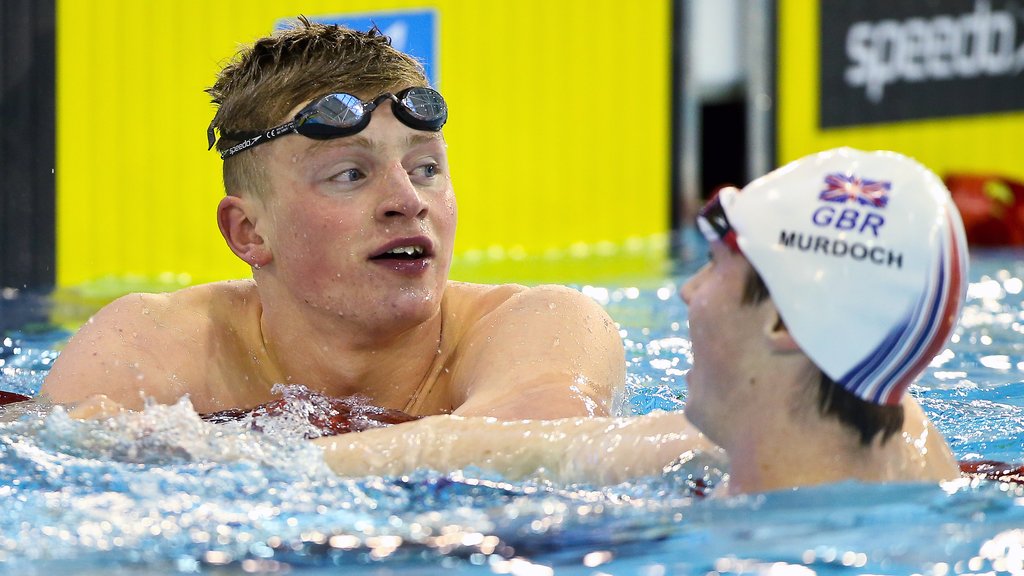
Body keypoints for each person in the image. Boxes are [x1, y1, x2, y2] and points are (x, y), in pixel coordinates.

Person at [41, 19, 625, 422]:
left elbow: (540, 443)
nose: (407, 200)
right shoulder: (155, 343)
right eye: (350, 174)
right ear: (248, 233)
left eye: (425, 168)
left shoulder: (543, 324)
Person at [309, 147, 967, 494]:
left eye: (715, 268)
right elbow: (466, 447)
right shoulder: (890, 438)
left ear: (784, 327)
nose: (688, 293)